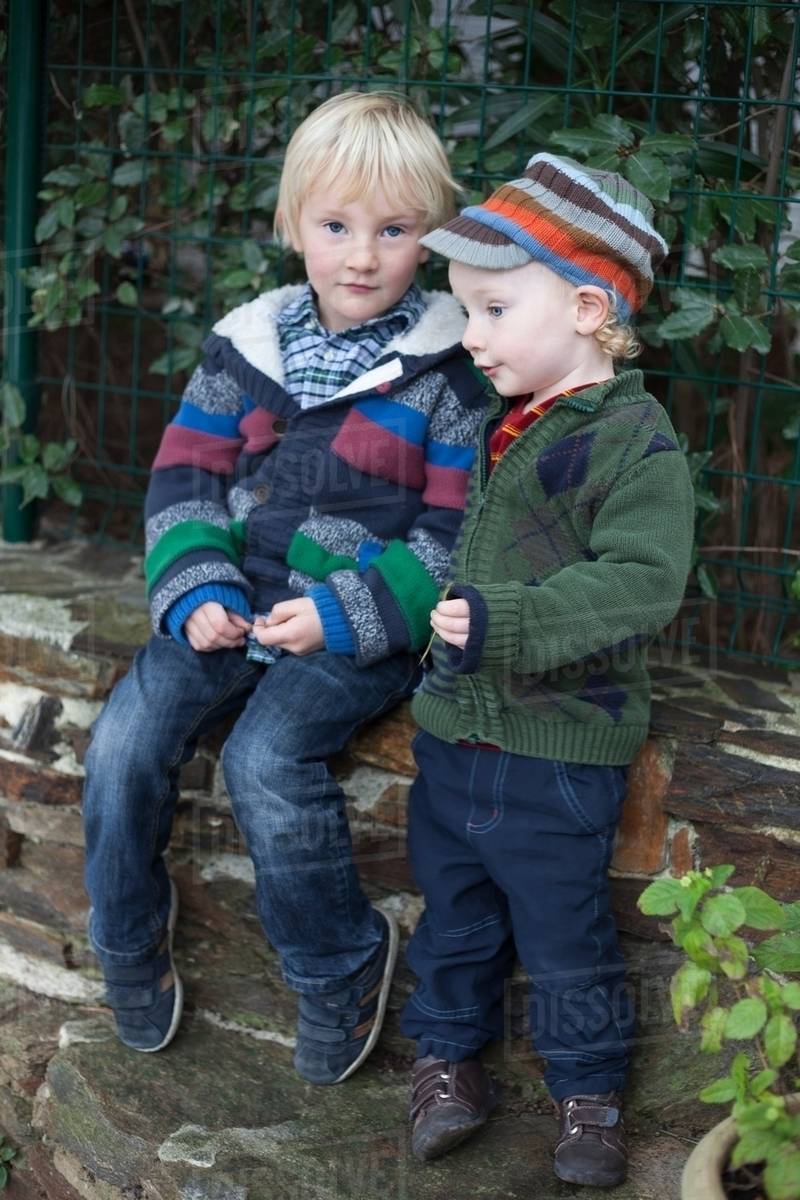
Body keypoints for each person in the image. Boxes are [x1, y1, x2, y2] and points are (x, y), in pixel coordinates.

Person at [81, 91, 486, 1087]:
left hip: (356, 624)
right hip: (229, 604)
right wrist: (196, 589)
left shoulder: (447, 370)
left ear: (427, 240)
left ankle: (337, 963)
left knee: (264, 761)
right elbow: (185, 479)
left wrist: (350, 614)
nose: (360, 256)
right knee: (123, 743)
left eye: (392, 232)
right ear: (292, 223)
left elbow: (455, 528)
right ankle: (128, 945)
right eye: (336, 227)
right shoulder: (246, 346)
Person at [400, 153, 695, 1186]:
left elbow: (640, 584)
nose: (468, 335)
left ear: (582, 306)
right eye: (463, 311)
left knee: (564, 932)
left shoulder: (630, 440)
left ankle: (587, 1097)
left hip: (557, 752)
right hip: (455, 741)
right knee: (453, 919)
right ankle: (445, 1065)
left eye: (488, 309)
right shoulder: (506, 424)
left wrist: (504, 624)